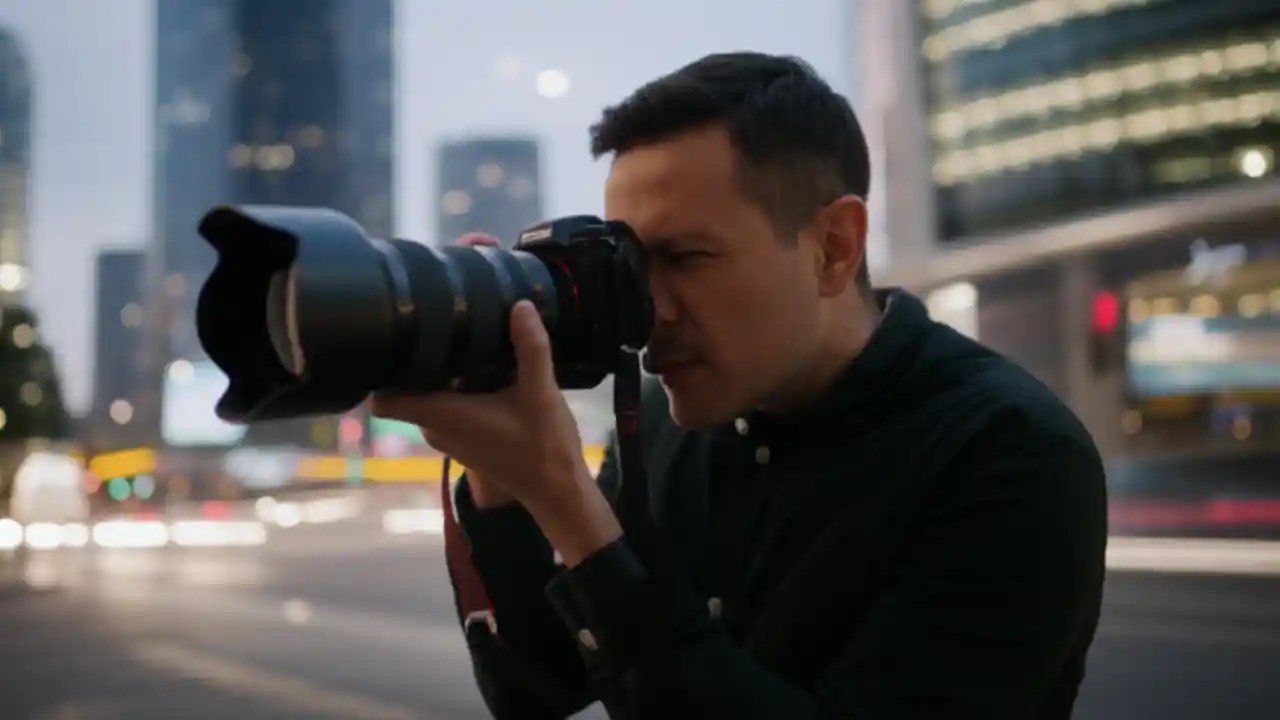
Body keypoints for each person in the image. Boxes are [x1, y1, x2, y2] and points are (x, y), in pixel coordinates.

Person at [373, 51, 1108, 719]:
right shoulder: (665, 417)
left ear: (833, 248)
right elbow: (541, 688)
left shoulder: (1009, 452)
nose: (648, 312)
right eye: (631, 266)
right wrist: (503, 482)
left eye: (687, 257)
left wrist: (571, 506)